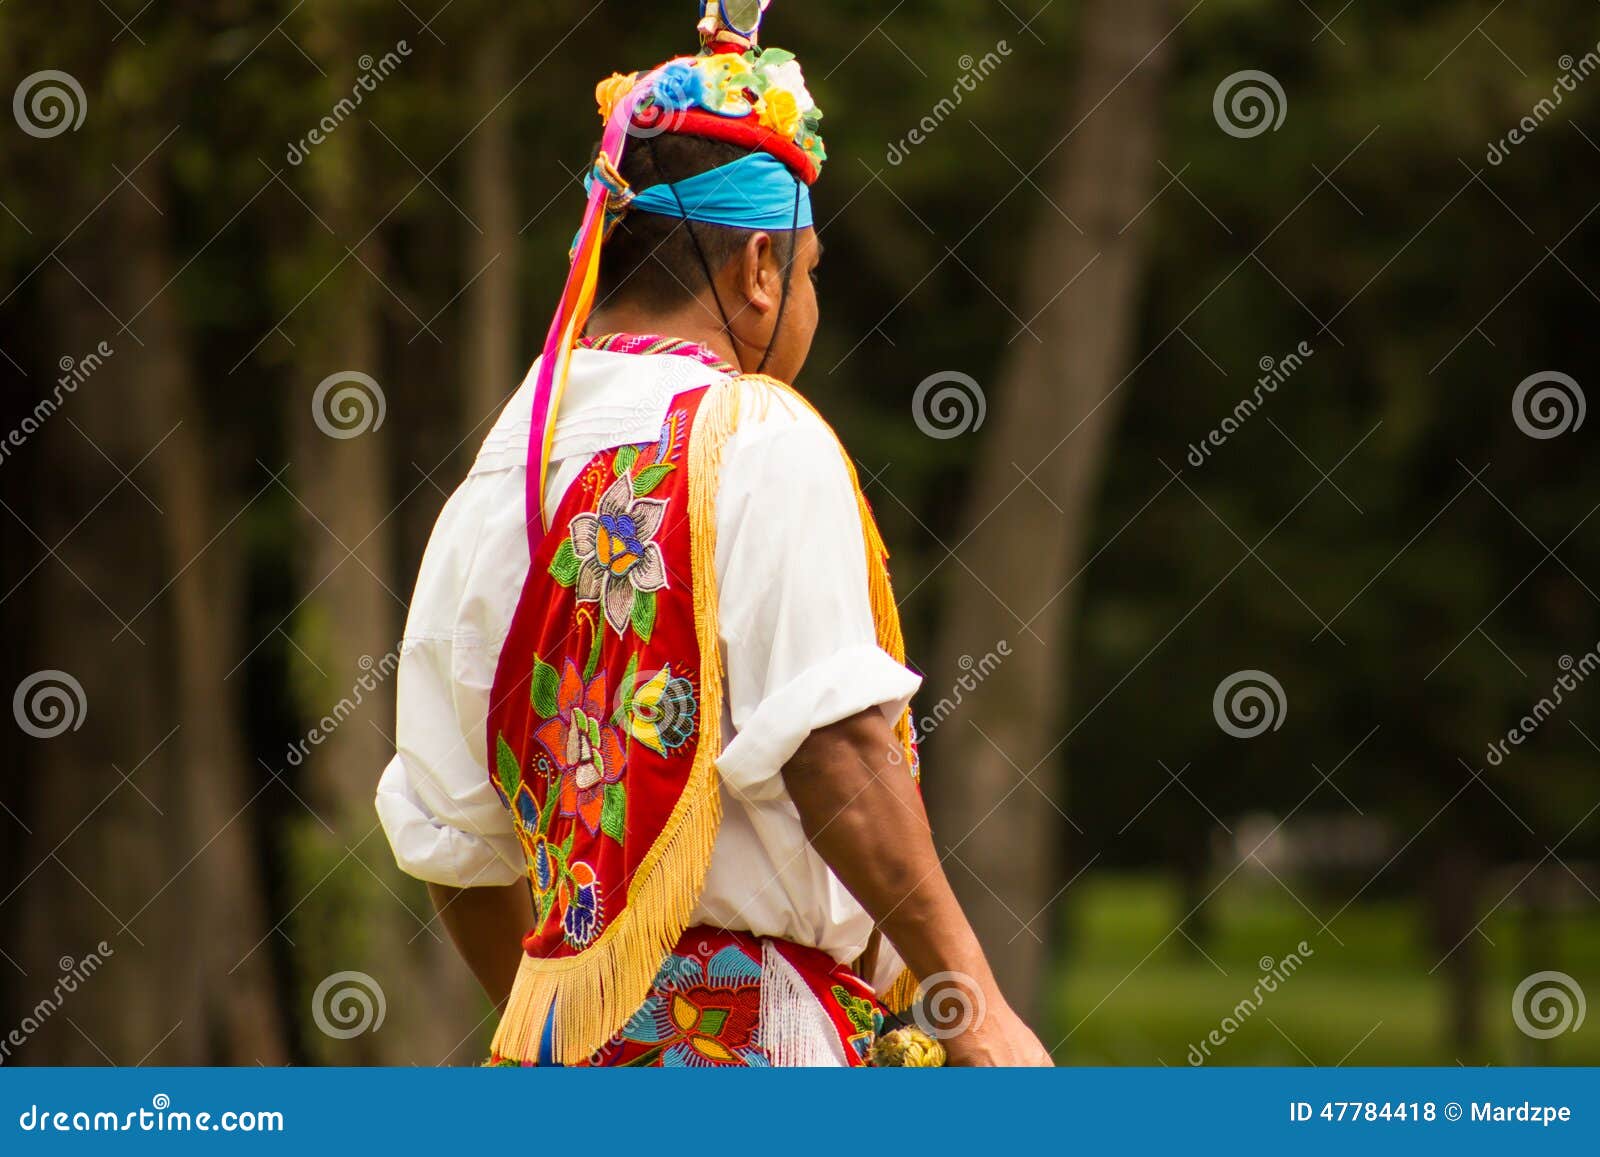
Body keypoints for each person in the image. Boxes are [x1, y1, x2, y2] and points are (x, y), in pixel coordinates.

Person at [376, 0, 1050, 1067]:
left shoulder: (498, 480)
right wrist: (977, 1005)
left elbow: (454, 846)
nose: (808, 297)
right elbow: (836, 748)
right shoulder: (756, 433)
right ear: (757, 273)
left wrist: (591, 1043)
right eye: (810, 268)